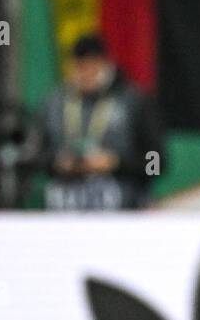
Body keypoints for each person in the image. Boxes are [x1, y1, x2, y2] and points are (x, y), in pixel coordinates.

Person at [39, 34, 164, 210]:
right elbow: (35, 156)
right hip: (65, 207)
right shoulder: (54, 104)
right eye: (79, 68)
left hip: (121, 207)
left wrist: (116, 163)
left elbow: (158, 164)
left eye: (92, 68)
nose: (85, 75)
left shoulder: (135, 102)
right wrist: (56, 163)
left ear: (105, 65)